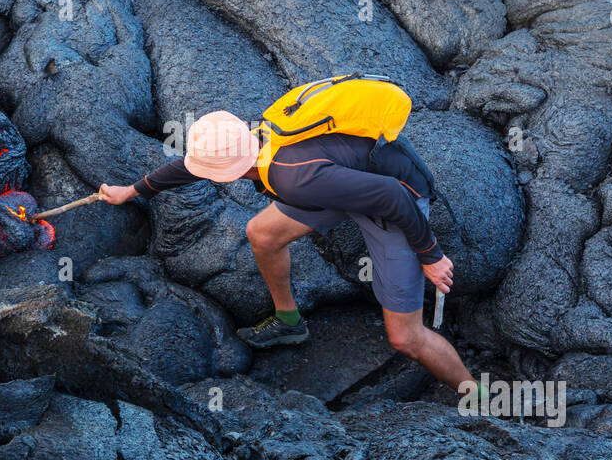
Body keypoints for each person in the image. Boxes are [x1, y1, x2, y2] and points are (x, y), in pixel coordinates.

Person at [99, 109, 475, 393]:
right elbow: (192, 166)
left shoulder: (291, 177)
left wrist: (431, 255)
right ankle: (289, 321)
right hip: (338, 180)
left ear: (230, 170)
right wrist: (131, 191)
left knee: (405, 338)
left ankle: (476, 396)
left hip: (394, 199)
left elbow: (391, 196)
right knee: (262, 233)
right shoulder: (258, 135)